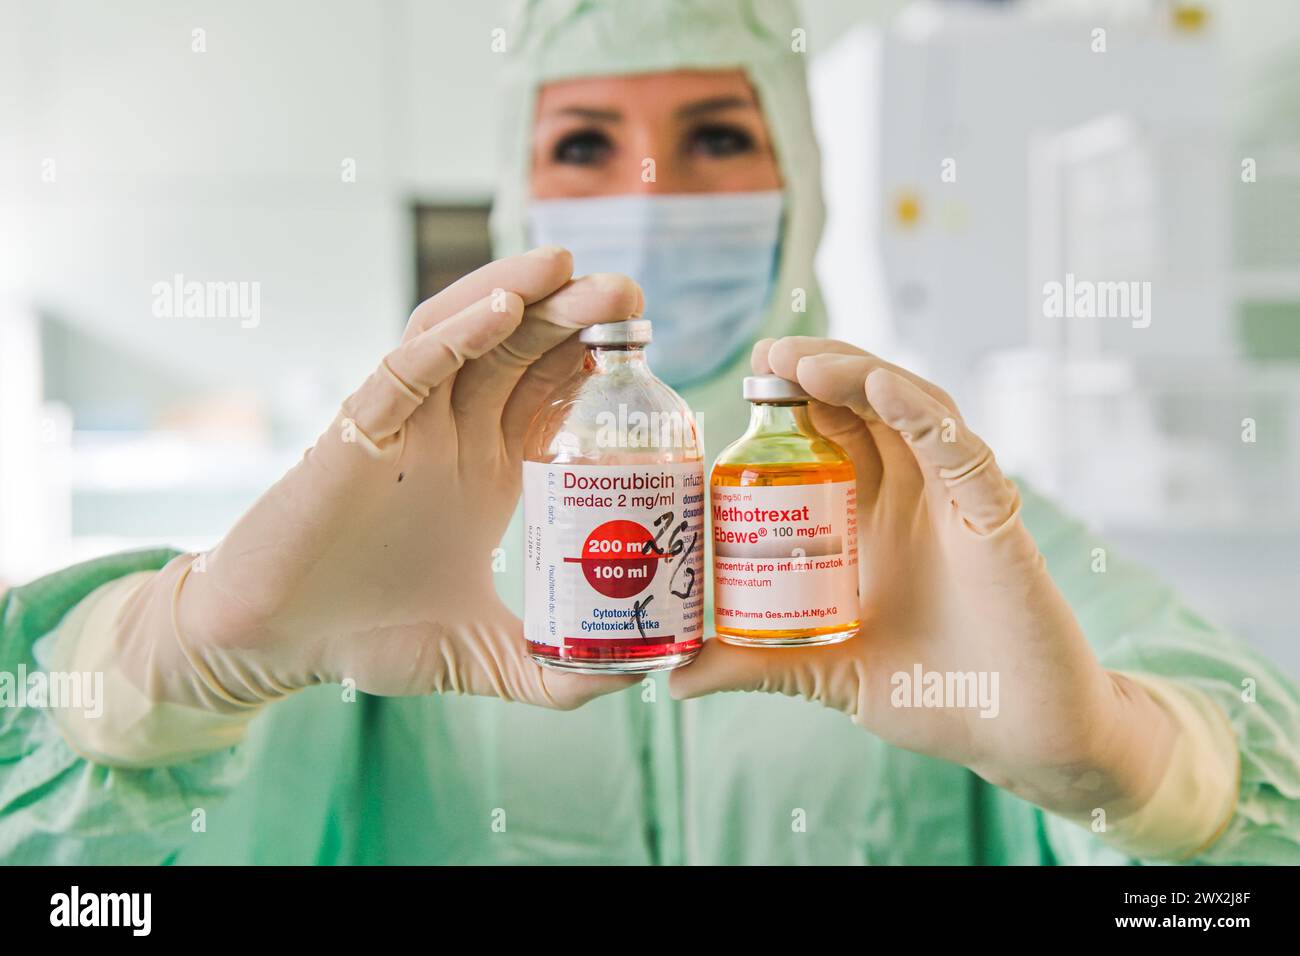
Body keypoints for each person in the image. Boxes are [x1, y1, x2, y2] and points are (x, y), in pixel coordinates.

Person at [2, 0, 1297, 865]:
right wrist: (164, 673)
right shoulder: (403, 529)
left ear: (802, 177)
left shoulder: (933, 521)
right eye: (585, 140)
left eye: (719, 136)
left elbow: (1244, 790)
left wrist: (1145, 771)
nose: (651, 190)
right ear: (522, 187)